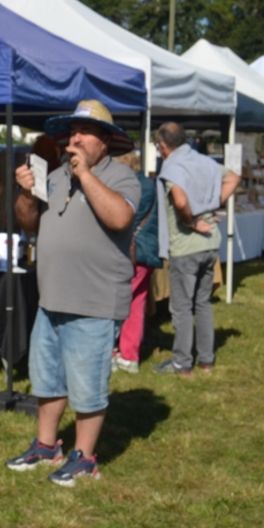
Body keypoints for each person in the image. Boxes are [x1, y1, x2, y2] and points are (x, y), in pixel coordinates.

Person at [7, 100, 139, 486]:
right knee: (46, 379)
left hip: (94, 299)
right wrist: (27, 192)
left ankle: (85, 458)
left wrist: (86, 176)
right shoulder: (57, 175)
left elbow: (119, 217)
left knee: (87, 384)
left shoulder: (122, 177)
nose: (73, 139)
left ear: (106, 140)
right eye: (70, 132)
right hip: (51, 296)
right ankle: (46, 446)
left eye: (84, 132)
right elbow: (28, 222)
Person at [152, 122, 240, 376]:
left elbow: (179, 200)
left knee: (181, 307)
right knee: (202, 303)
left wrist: (191, 220)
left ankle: (182, 362)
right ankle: (206, 360)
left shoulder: (172, 166)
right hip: (211, 243)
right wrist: (215, 203)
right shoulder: (204, 161)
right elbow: (234, 177)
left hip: (186, 245)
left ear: (163, 145)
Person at [112, 152, 160, 374]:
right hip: (147, 251)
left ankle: (110, 351)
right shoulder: (148, 184)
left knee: (116, 302)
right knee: (136, 303)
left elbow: (121, 220)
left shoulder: (128, 186)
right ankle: (130, 355)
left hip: (130, 252)